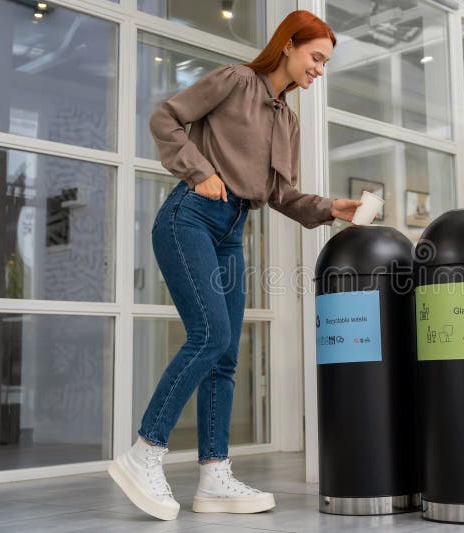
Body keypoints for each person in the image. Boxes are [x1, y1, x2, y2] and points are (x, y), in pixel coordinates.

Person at [108, 10, 360, 521]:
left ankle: (214, 476)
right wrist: (198, 170)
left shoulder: (287, 119)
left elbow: (282, 194)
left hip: (231, 231)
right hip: (190, 217)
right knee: (210, 336)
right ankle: (144, 453)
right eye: (315, 57)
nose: (319, 69)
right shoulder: (234, 81)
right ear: (288, 45)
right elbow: (165, 117)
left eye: (325, 63)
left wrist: (331, 209)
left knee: (225, 355)